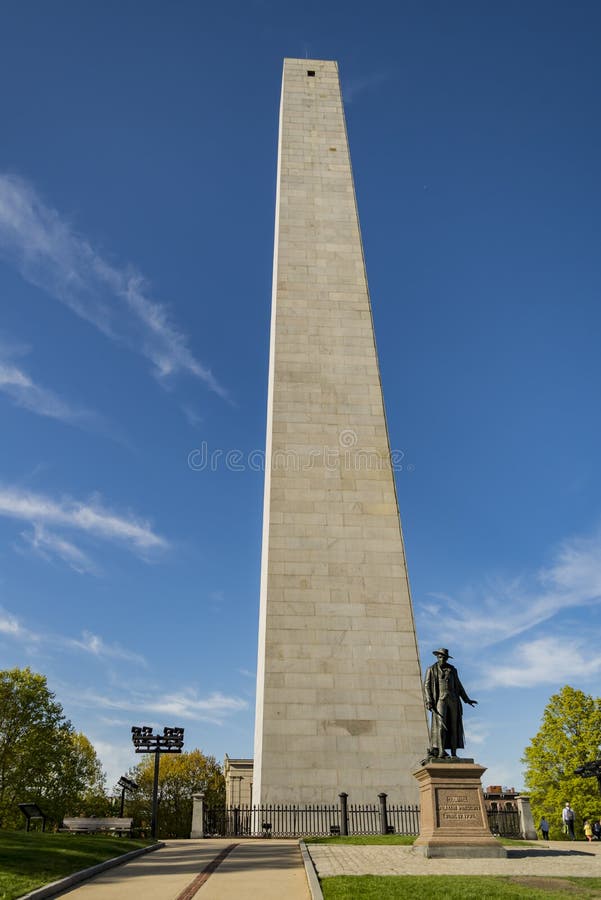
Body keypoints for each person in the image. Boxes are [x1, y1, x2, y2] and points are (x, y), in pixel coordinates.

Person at [423, 648, 477, 758]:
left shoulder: (452, 670)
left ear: (447, 658)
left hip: (453, 700)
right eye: (440, 657)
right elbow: (426, 686)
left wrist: (467, 699)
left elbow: (459, 686)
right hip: (440, 700)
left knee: (453, 726)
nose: (442, 659)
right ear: (437, 657)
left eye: (444, 657)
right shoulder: (431, 669)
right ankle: (441, 751)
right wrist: (428, 701)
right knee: (441, 726)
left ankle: (454, 753)